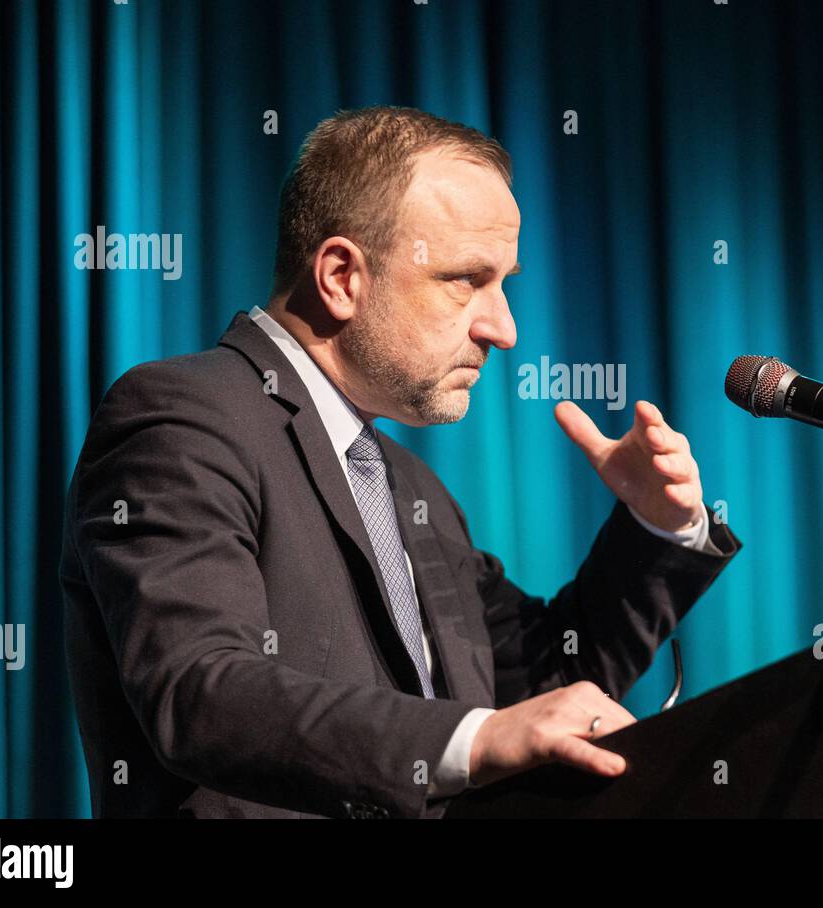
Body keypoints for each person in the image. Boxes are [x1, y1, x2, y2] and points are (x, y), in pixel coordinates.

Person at [60, 106, 742, 818]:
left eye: (504, 282)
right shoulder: (181, 417)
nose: (503, 329)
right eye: (465, 280)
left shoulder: (410, 486)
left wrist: (657, 530)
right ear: (341, 276)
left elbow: (534, 690)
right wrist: (477, 741)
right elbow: (200, 692)